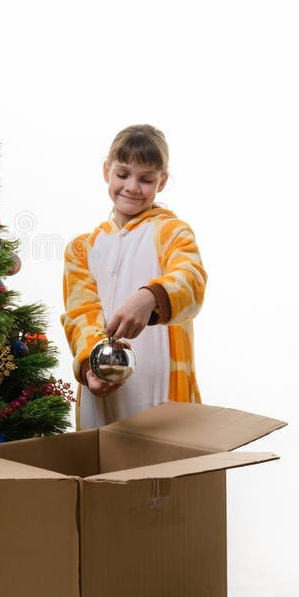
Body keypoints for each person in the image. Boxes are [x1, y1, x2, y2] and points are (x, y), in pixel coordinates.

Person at [61, 124, 207, 428]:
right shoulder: (82, 248)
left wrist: (151, 296)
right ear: (106, 171)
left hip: (160, 386)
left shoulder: (172, 232)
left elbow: (191, 279)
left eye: (146, 179)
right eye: (123, 174)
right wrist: (90, 366)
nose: (131, 187)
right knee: (105, 466)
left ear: (162, 181)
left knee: (165, 466)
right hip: (105, 387)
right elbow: (80, 313)